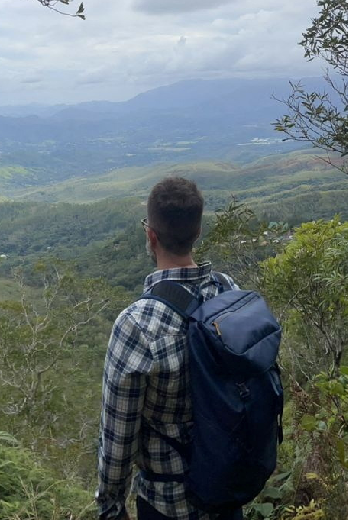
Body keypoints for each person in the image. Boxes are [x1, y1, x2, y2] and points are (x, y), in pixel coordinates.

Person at [96, 177, 245, 520]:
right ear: (198, 231)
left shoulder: (137, 324)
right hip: (229, 484)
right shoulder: (229, 292)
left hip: (170, 502)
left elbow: (118, 437)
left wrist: (110, 505)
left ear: (151, 235)